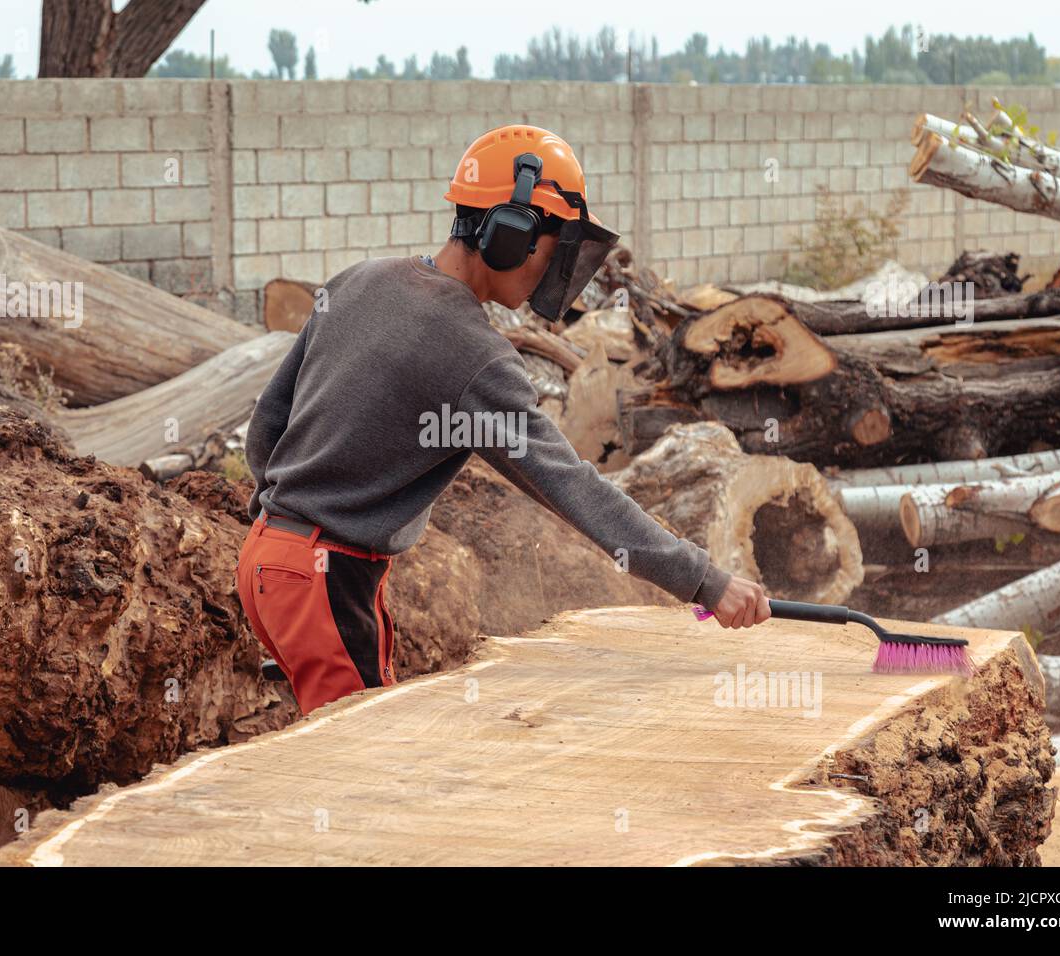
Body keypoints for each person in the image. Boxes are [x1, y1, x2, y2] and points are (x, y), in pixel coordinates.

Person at [236, 124, 770, 714]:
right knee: (361, 772)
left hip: (269, 561)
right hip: (324, 578)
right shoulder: (474, 353)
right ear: (511, 234)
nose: (557, 266)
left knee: (340, 749)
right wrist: (705, 582)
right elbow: (572, 487)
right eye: (556, 244)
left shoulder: (358, 280)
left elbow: (267, 423)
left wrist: (281, 525)